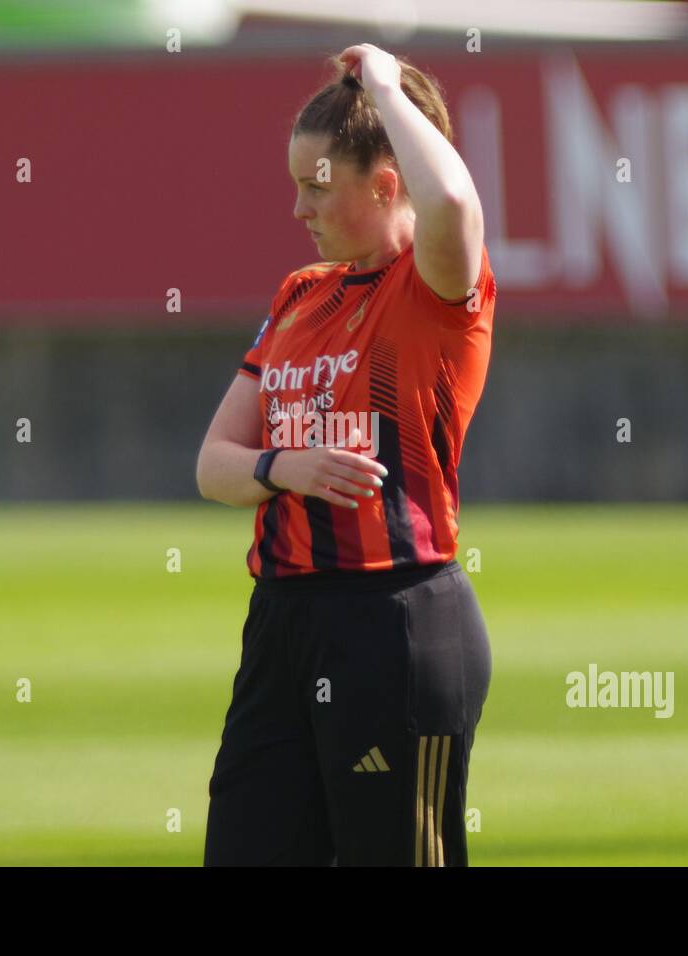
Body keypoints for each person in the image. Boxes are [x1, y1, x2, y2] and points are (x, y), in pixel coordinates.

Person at [195, 44, 496, 866]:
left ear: (387, 184)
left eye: (317, 185)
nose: (299, 208)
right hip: (283, 626)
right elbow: (212, 463)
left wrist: (390, 90)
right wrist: (278, 468)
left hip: (394, 625)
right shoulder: (300, 293)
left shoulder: (431, 290)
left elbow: (458, 207)